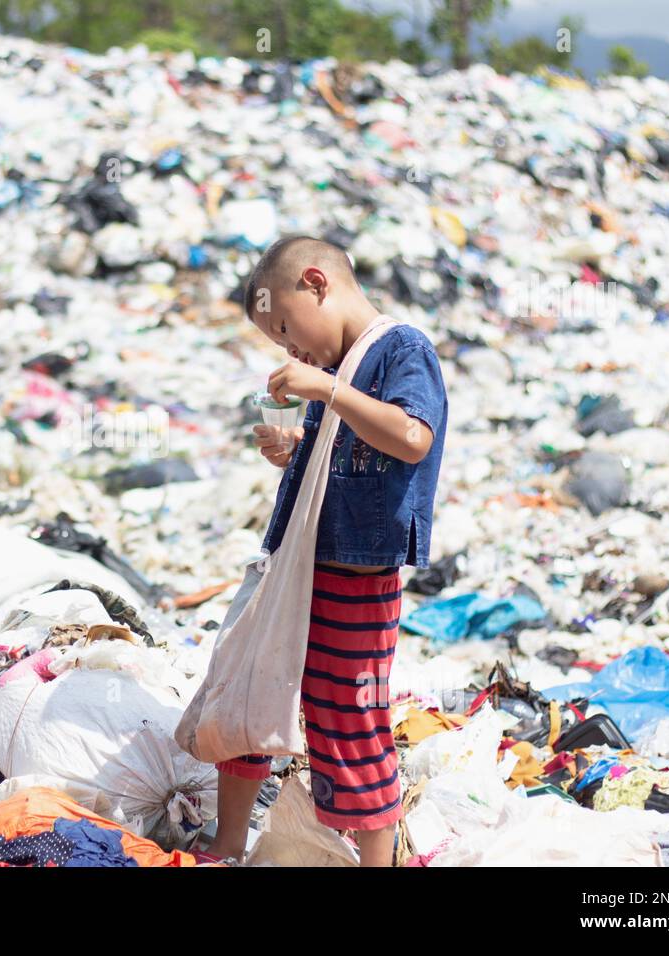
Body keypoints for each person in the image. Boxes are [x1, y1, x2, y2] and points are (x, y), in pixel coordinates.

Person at [204, 236, 448, 867]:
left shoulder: (401, 349)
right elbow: (346, 460)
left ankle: (376, 862)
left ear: (316, 283)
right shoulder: (331, 372)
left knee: (350, 720)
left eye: (286, 328)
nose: (289, 349)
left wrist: (326, 390)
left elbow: (413, 438)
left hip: (356, 582)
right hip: (297, 567)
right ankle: (227, 845)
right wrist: (294, 453)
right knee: (252, 694)